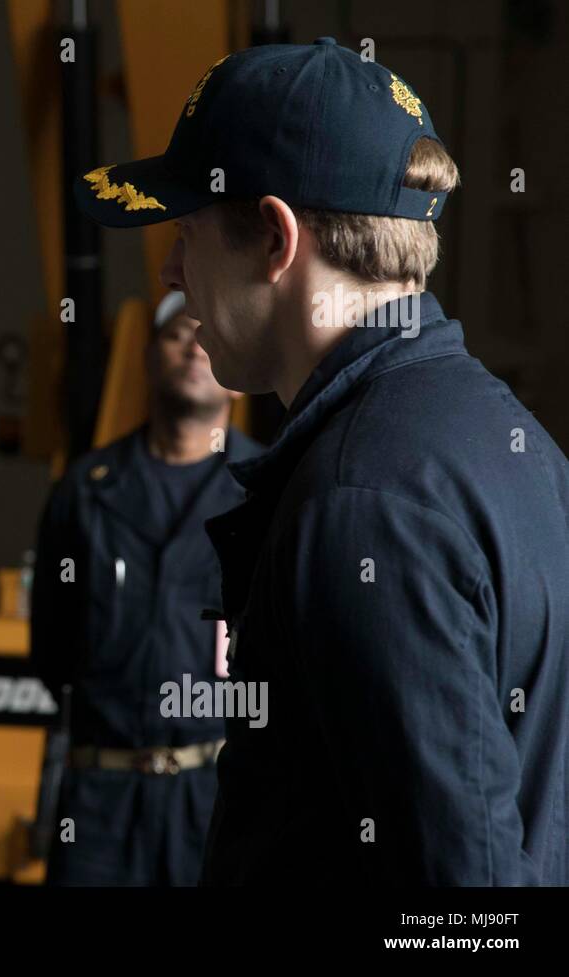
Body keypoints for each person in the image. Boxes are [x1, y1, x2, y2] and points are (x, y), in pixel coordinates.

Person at [76, 37, 569, 884]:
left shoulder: (361, 502)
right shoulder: (506, 439)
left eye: (186, 234)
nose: (170, 272)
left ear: (275, 238)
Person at [30, 291, 259, 885]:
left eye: (208, 333)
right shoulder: (86, 490)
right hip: (99, 802)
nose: (192, 345)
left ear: (238, 368)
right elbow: (51, 649)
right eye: (175, 333)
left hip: (217, 796)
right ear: (150, 358)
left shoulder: (267, 491)